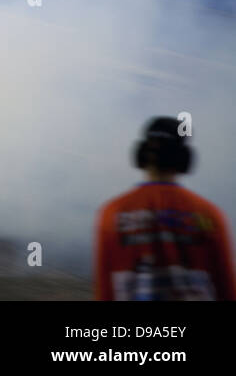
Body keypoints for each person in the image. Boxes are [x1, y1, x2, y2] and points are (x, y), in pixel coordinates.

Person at [94, 116, 236, 300]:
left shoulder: (112, 214)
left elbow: (106, 293)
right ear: (184, 158)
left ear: (141, 153)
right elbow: (227, 290)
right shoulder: (208, 215)